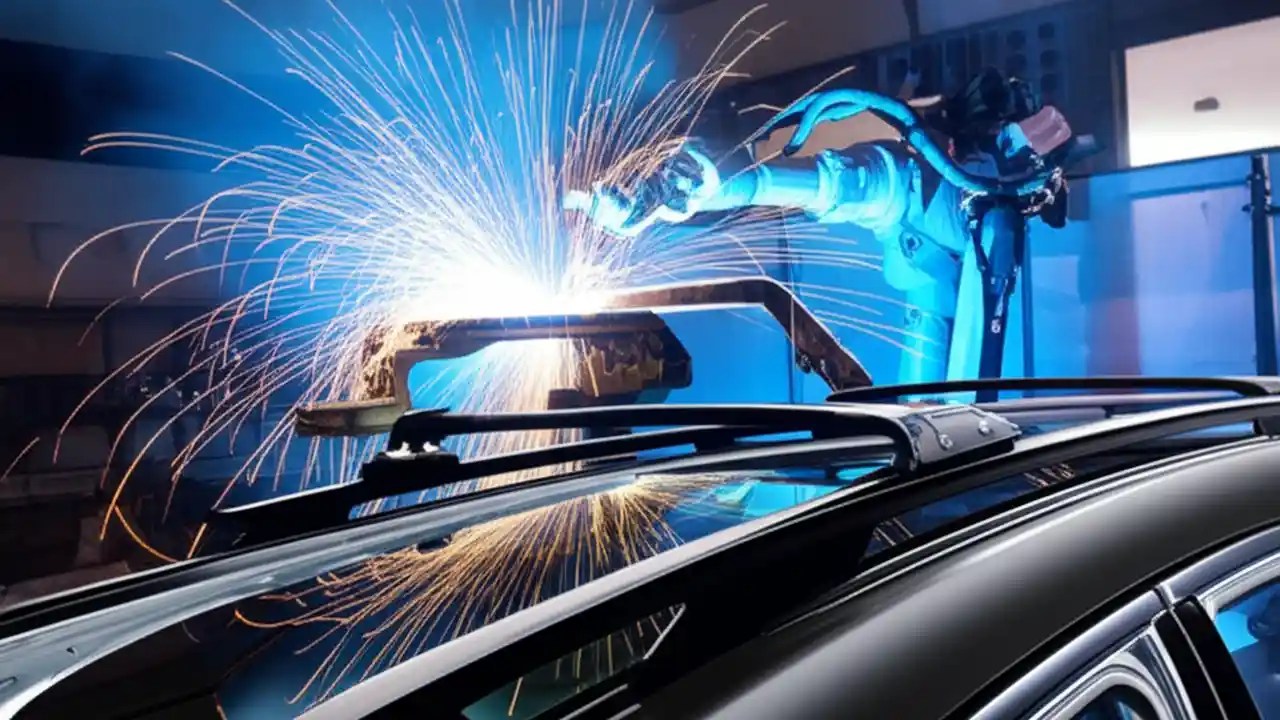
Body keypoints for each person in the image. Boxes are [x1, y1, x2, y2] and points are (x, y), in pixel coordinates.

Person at [565, 68, 1083, 384]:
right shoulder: (930, 184)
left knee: (943, 418)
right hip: (915, 209)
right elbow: (839, 184)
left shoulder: (979, 204)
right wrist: (720, 187)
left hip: (931, 243)